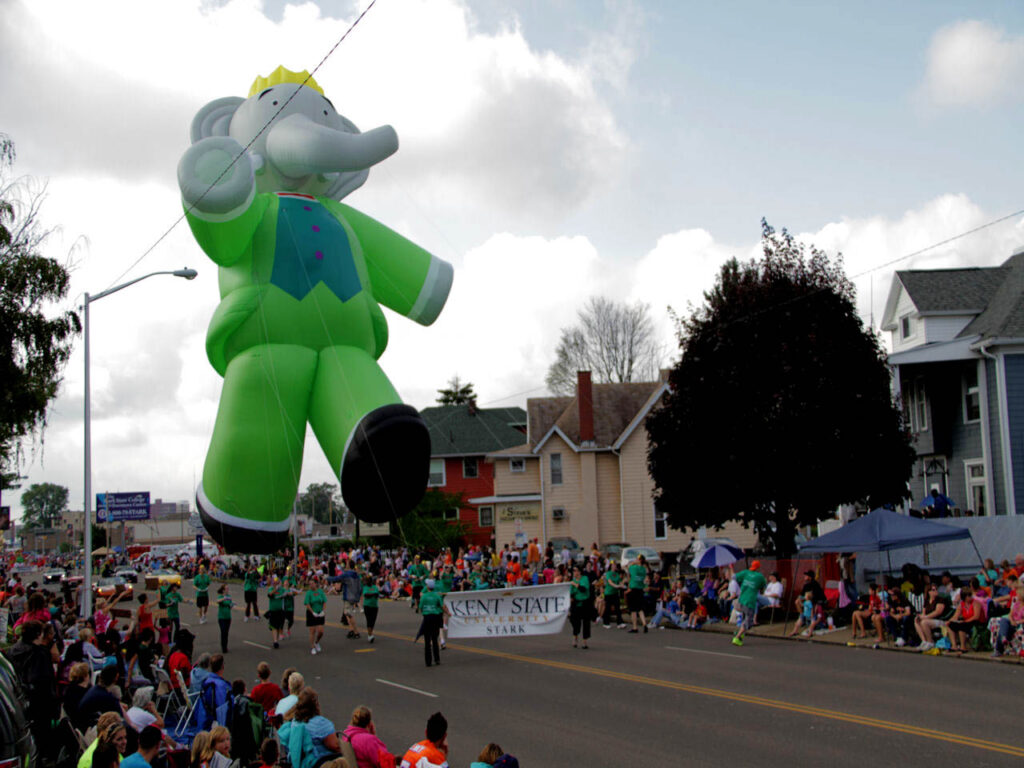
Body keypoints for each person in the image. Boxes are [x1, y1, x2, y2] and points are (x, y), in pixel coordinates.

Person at [278, 688, 342, 766]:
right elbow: (335, 746)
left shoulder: (295, 722)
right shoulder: (321, 723)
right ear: (315, 705)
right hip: (319, 762)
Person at [731, 560, 766, 647]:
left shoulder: (745, 573)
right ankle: (737, 637)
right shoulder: (759, 576)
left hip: (741, 600)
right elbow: (763, 586)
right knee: (749, 622)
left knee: (744, 618)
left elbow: (734, 577)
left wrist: (731, 568)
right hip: (750, 602)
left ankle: (740, 632)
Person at [419, 579, 448, 668]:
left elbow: (420, 608)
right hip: (435, 617)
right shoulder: (436, 596)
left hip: (427, 618)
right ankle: (437, 659)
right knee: (435, 639)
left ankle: (428, 661)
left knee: (427, 641)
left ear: (427, 587)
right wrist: (447, 612)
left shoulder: (424, 596)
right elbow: (442, 606)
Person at [948, 586, 985, 655]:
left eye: (970, 595)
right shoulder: (961, 604)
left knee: (962, 626)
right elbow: (956, 615)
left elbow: (976, 617)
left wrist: (965, 621)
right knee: (950, 625)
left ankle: (963, 647)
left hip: (976, 622)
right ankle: (954, 645)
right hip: (967, 621)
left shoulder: (976, 603)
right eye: (969, 596)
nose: (971, 597)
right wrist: (950, 620)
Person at [914, 584, 951, 651]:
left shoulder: (940, 600)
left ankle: (930, 642)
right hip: (929, 620)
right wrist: (921, 616)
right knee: (917, 620)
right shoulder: (927, 601)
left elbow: (938, 612)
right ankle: (924, 641)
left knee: (924, 622)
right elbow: (923, 612)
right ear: (929, 592)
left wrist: (926, 617)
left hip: (939, 620)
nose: (936, 591)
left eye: (936, 589)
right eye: (933, 590)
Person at [625, 554, 649, 633]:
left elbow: (628, 567)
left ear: (639, 560)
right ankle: (644, 624)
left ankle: (635, 627)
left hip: (633, 590)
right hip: (640, 589)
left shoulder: (634, 568)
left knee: (633, 610)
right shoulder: (643, 569)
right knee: (640, 609)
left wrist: (633, 562)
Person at [568, 565, 591, 649]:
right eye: (573, 571)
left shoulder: (584, 579)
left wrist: (575, 584)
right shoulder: (573, 581)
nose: (574, 572)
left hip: (585, 603)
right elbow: (572, 593)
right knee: (574, 620)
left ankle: (585, 641)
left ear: (579, 572)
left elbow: (583, 589)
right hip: (576, 603)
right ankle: (575, 636)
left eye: (576, 570)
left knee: (585, 622)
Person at [305, 577, 328, 655]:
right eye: (310, 584)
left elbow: (324, 601)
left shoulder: (320, 592)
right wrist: (312, 612)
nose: (311, 585)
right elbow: (307, 604)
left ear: (316, 584)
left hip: (320, 612)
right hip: (312, 613)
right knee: (312, 630)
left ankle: (316, 642)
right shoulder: (308, 593)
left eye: (312, 583)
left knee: (321, 631)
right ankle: (312, 647)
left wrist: (323, 611)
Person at [601, 562, 625, 628]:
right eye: (613, 565)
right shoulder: (608, 573)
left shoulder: (617, 574)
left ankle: (620, 623)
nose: (614, 566)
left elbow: (620, 581)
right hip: (608, 593)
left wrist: (622, 585)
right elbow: (610, 582)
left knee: (618, 608)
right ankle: (606, 623)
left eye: (615, 565)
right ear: (611, 566)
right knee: (608, 608)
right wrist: (616, 586)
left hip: (615, 593)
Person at [266, 575, 286, 649]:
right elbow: (269, 594)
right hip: (273, 610)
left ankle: (276, 640)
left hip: (280, 610)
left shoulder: (282, 589)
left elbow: (286, 593)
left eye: (277, 583)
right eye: (275, 583)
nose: (276, 584)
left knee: (278, 626)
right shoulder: (270, 588)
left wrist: (284, 594)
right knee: (274, 626)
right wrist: (275, 590)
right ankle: (275, 641)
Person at [362, 574, 380, 644]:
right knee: (369, 620)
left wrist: (371, 594)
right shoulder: (365, 587)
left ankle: (370, 633)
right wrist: (373, 594)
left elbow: (377, 595)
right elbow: (366, 595)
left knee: (373, 620)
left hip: (374, 606)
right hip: (367, 606)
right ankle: (370, 635)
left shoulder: (375, 587)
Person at [283, 566, 299, 638]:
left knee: (291, 620)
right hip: (284, 602)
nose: (289, 572)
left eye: (290, 571)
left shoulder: (292, 578)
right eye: (288, 571)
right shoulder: (284, 578)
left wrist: (292, 587)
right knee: (283, 618)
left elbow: (294, 584)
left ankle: (288, 629)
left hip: (290, 601)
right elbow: (282, 585)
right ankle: (281, 631)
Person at [216, 584, 233, 653]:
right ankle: (223, 647)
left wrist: (232, 604)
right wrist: (224, 598)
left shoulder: (229, 597)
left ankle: (225, 646)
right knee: (223, 632)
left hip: (228, 617)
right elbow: (218, 601)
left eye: (228, 589)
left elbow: (230, 605)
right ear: (223, 590)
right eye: (226, 589)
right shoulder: (220, 596)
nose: (227, 590)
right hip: (221, 617)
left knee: (226, 632)